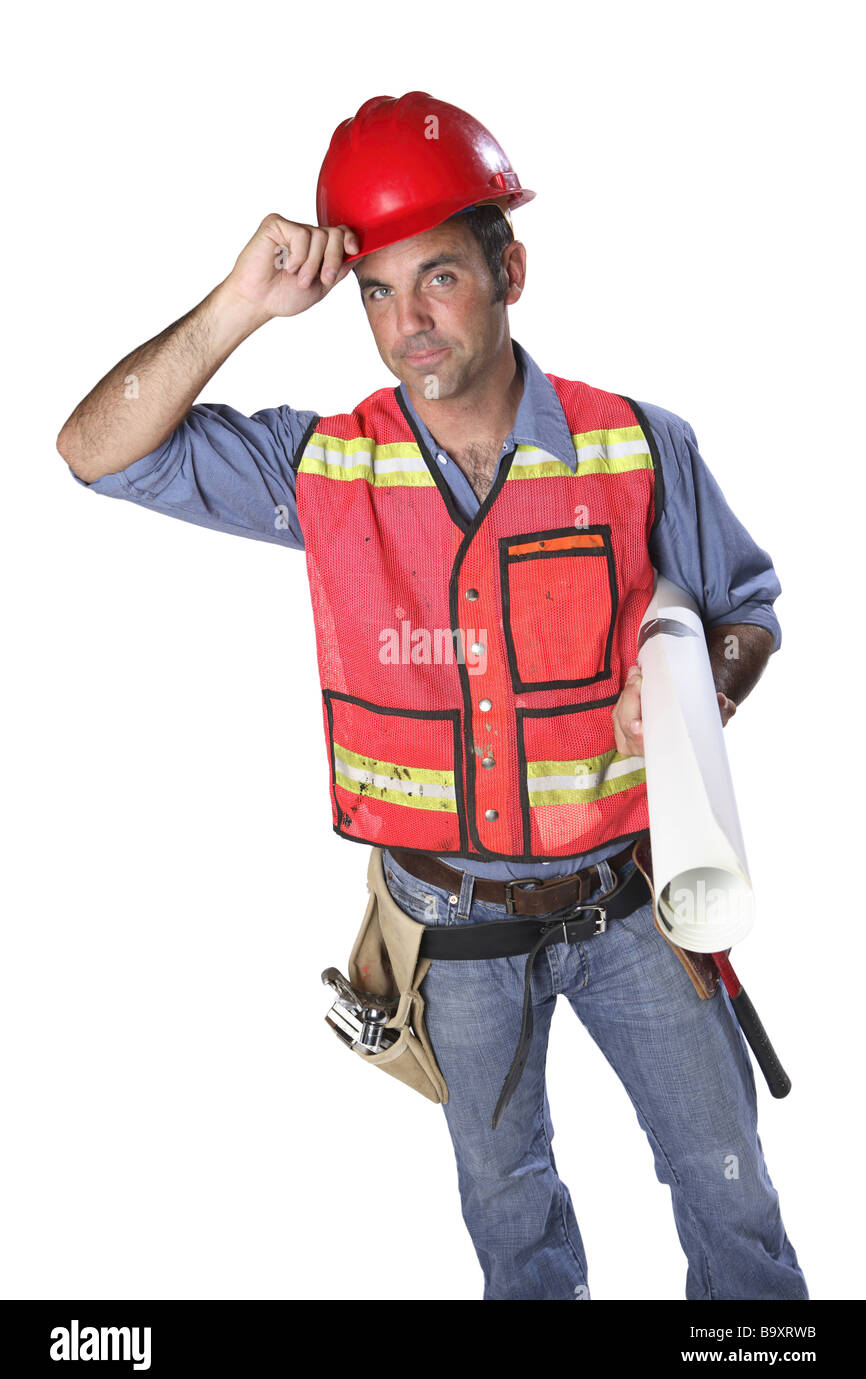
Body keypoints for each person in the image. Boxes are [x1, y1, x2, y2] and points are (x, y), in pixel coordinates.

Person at [57, 92, 807, 1301]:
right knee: (510, 1222)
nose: (407, 323)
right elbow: (99, 452)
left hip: (632, 909)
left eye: (440, 279)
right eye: (377, 291)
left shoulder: (635, 444)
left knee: (727, 1193)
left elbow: (747, 605)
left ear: (512, 271)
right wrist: (243, 302)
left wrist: (696, 691)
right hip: (448, 938)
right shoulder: (323, 465)